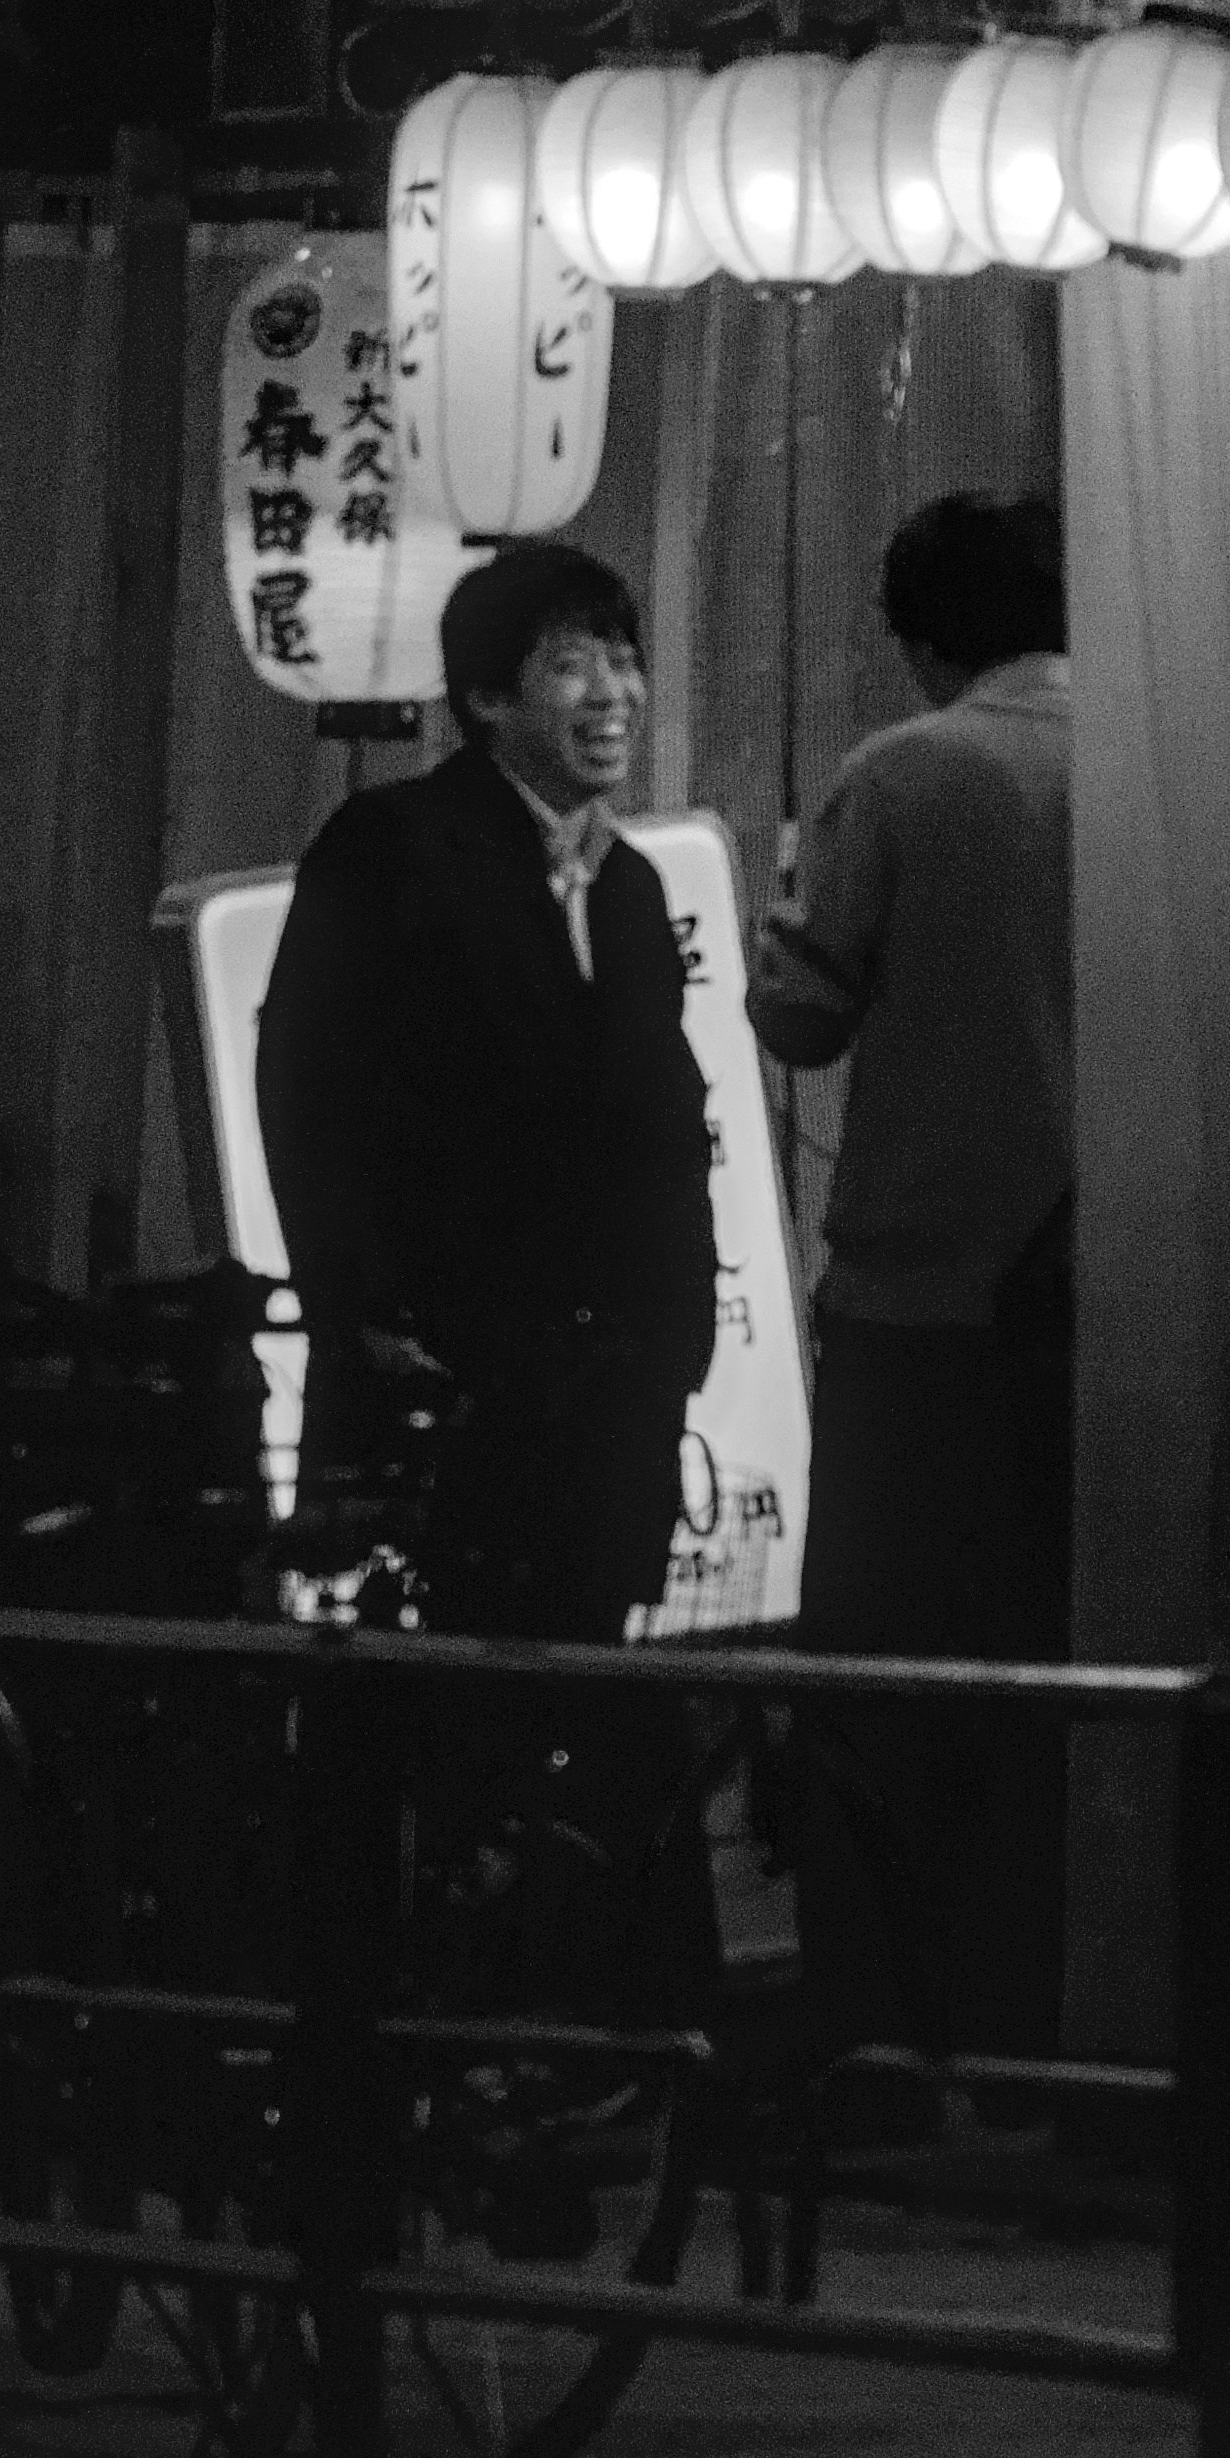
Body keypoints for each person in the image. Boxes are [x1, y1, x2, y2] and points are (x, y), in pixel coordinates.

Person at [747, 488, 1073, 2073]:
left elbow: (798, 1017)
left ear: (922, 633)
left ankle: (878, 2043)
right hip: (1113, 1300)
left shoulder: (905, 772)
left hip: (928, 1298)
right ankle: (1043, 2034)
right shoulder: (1163, 756)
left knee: (881, 1687)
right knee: (1070, 1692)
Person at [253, 542, 715, 1646]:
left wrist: (676, 1334)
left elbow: (660, 1125)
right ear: (486, 697)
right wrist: (362, 1307)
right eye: (570, 666)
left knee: (585, 1675)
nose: (613, 694)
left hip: (610, 1382)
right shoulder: (391, 846)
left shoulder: (633, 884)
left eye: (622, 658)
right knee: (422, 1701)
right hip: (444, 1373)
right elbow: (306, 1092)